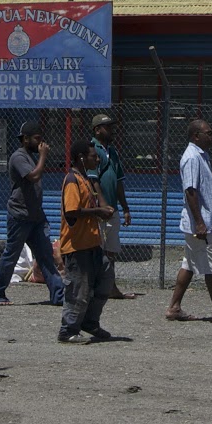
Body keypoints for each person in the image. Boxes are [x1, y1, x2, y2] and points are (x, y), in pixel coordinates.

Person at [165, 119, 212, 324]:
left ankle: (174, 307)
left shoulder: (202, 156)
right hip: (202, 224)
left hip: (206, 220)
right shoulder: (191, 158)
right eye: (209, 133)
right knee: (211, 264)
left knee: (189, 263)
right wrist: (199, 222)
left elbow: (210, 189)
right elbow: (190, 191)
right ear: (195, 136)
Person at [0, 121, 65, 307]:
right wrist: (44, 156)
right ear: (25, 139)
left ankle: (59, 295)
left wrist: (40, 156)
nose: (40, 143)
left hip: (36, 216)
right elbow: (33, 176)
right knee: (11, 255)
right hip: (20, 216)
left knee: (46, 255)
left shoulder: (31, 156)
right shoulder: (18, 157)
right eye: (37, 139)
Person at [57, 141, 115, 343]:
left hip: (92, 245)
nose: (97, 159)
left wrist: (103, 211)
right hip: (77, 246)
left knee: (105, 279)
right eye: (93, 156)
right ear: (81, 157)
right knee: (78, 290)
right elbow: (72, 213)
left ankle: (90, 321)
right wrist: (98, 212)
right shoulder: (72, 180)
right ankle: (68, 330)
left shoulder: (86, 180)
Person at [90, 113, 136, 299]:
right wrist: (102, 204)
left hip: (113, 209)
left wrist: (125, 208)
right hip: (100, 210)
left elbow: (118, 182)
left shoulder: (113, 152)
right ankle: (95, 287)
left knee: (111, 250)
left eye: (111, 127)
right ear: (97, 130)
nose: (111, 130)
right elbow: (93, 180)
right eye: (107, 127)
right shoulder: (93, 150)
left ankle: (110, 286)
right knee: (97, 250)